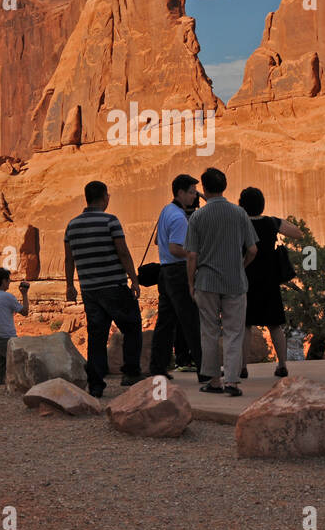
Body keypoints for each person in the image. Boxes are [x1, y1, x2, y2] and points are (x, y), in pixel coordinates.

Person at [64, 181, 144, 398]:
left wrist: (70, 285)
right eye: (108, 195)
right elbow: (123, 252)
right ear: (104, 197)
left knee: (96, 337)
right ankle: (131, 373)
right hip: (114, 286)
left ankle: (96, 385)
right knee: (132, 327)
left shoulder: (72, 225)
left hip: (90, 290)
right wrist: (134, 280)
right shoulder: (110, 221)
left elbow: (68, 259)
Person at [185, 167, 257, 397]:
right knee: (234, 332)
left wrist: (190, 282)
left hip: (206, 282)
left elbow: (192, 255)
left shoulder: (197, 217)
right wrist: (240, 266)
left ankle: (214, 380)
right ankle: (232, 382)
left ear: (203, 189)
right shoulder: (239, 214)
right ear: (224, 186)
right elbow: (253, 249)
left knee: (209, 331)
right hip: (235, 281)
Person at [238, 187, 304, 379]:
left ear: (242, 204)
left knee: (245, 324)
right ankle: (282, 365)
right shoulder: (271, 222)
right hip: (269, 280)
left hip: (246, 277)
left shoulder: (240, 223)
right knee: (275, 325)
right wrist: (278, 222)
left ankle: (242, 367)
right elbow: (298, 233)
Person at [150, 174, 203, 380]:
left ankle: (157, 368)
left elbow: (158, 241)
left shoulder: (166, 211)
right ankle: (204, 370)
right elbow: (175, 248)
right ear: (180, 192)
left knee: (165, 322)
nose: (193, 197)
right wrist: (193, 255)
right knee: (191, 321)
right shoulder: (179, 217)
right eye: (191, 192)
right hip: (178, 272)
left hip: (165, 272)